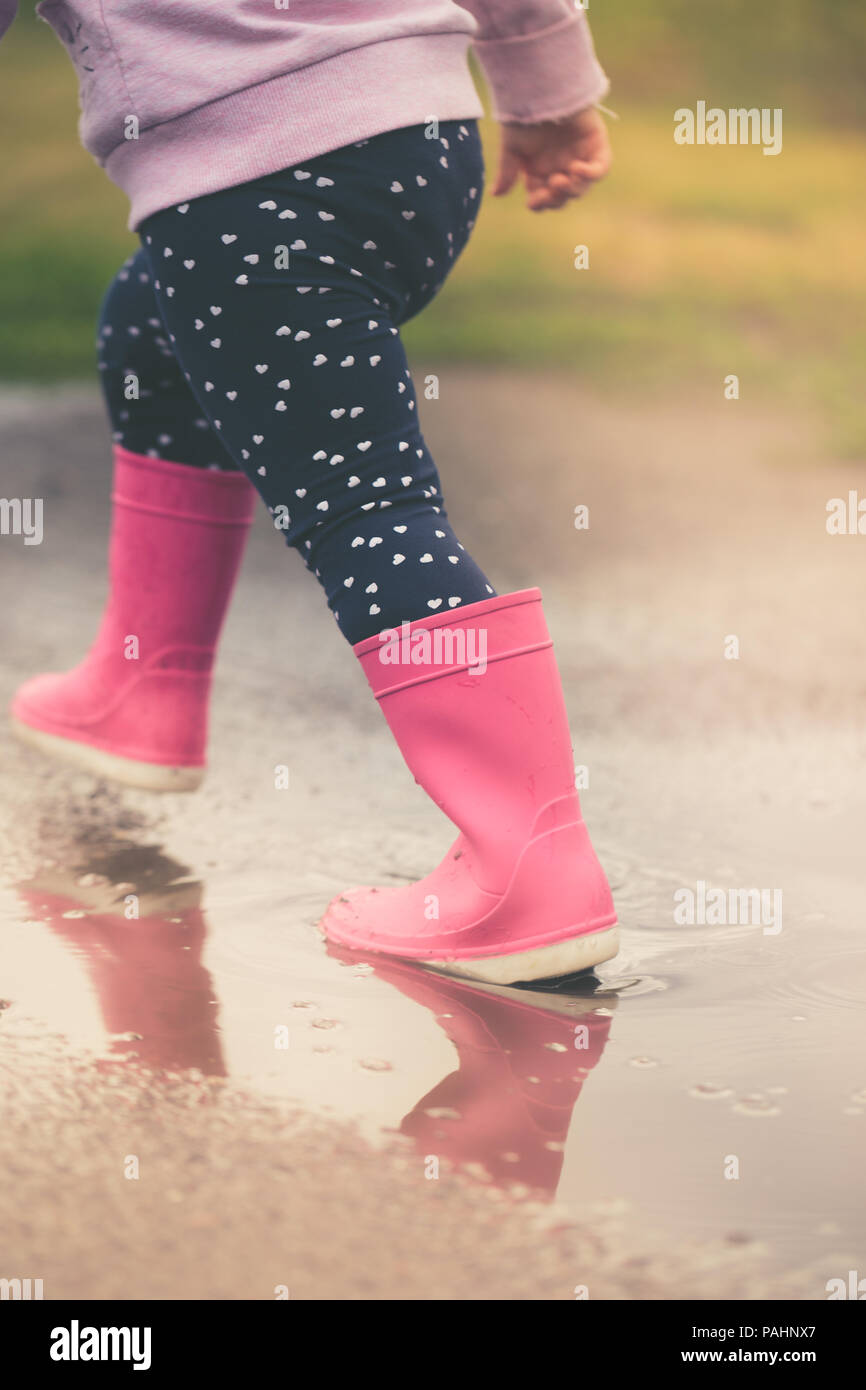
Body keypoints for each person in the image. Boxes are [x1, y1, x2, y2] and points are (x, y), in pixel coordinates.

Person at [2, 0, 618, 984]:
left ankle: (527, 872)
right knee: (155, 326)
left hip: (249, 183)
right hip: (416, 152)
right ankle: (141, 686)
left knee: (366, 507)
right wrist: (544, 94)